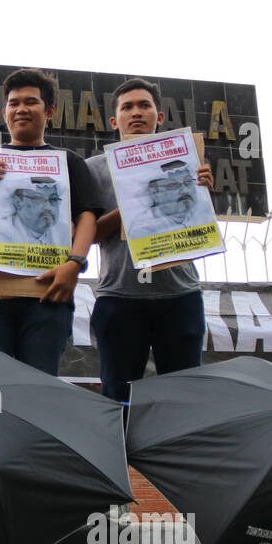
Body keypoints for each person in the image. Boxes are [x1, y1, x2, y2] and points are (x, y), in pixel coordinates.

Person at [0, 68, 102, 376]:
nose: (21, 109)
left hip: (47, 292)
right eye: (14, 103)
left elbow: (87, 216)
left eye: (31, 101)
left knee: (37, 388)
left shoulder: (69, 162)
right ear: (5, 112)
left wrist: (74, 264)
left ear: (50, 111)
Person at [86, 77, 215, 404]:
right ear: (115, 122)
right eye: (127, 107)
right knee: (118, 397)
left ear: (159, 117)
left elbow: (195, 222)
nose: (137, 113)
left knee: (183, 397)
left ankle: (177, 456)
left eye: (145, 105)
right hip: (119, 297)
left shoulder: (188, 161)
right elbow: (85, 236)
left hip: (180, 294)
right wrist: (130, 206)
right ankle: (121, 457)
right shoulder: (94, 170)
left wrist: (202, 189)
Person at [0, 177, 68, 247]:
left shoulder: (63, 232)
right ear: (18, 202)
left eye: (53, 199)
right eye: (38, 199)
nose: (48, 207)